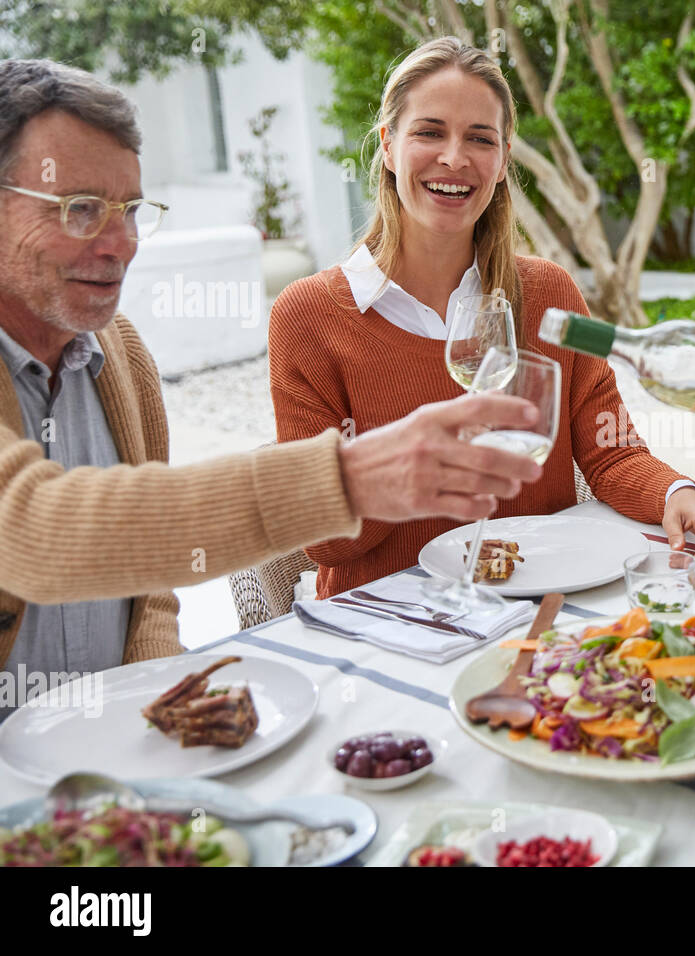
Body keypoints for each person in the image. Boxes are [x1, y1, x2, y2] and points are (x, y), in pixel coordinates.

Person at [0, 59, 544, 715]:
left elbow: (151, 587)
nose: (122, 244)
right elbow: (33, 529)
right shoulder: (310, 311)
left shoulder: (119, 353)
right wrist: (350, 477)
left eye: (131, 210)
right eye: (80, 209)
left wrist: (146, 707)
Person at [269, 37, 695, 599]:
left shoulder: (548, 293)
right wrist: (422, 466)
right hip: (390, 623)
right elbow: (323, 542)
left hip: (542, 608)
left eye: (480, 139)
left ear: (503, 159)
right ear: (388, 146)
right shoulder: (309, 316)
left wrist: (677, 494)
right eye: (430, 132)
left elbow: (612, 450)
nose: (455, 159)